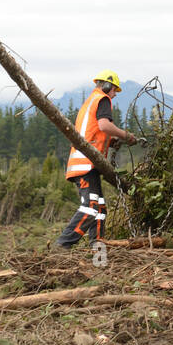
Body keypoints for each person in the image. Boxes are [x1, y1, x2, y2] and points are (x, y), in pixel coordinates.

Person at [54, 71, 137, 249]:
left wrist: (112, 141)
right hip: (86, 164)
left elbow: (93, 132)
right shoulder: (102, 99)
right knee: (91, 207)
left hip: (87, 164)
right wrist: (126, 136)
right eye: (114, 89)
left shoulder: (90, 102)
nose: (114, 94)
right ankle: (62, 245)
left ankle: (98, 251)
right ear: (106, 86)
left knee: (100, 209)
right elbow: (104, 125)